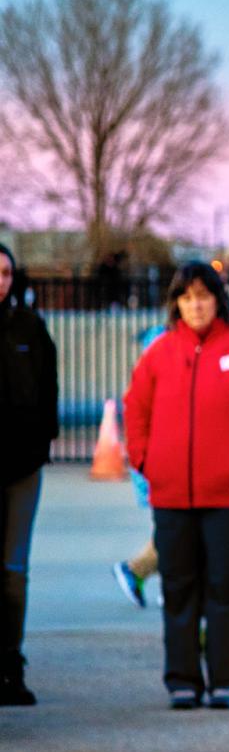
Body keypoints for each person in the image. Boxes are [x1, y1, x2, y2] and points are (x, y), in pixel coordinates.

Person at [123, 263, 229, 710]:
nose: (195, 305)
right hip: (172, 493)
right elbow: (135, 409)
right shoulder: (158, 354)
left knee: (227, 588)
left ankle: (227, 680)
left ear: (218, 299)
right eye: (186, 298)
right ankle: (182, 679)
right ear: (176, 304)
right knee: (179, 589)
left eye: (203, 296)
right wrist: (144, 459)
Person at [0, 242, 59, 706]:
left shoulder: (31, 330)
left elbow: (48, 394)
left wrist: (41, 445)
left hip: (21, 470)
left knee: (13, 572)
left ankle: (10, 664)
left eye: (4, 273)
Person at [114, 326, 167, 609]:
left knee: (174, 531)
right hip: (160, 470)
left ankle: (142, 573)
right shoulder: (156, 382)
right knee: (174, 531)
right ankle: (137, 570)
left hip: (159, 469)